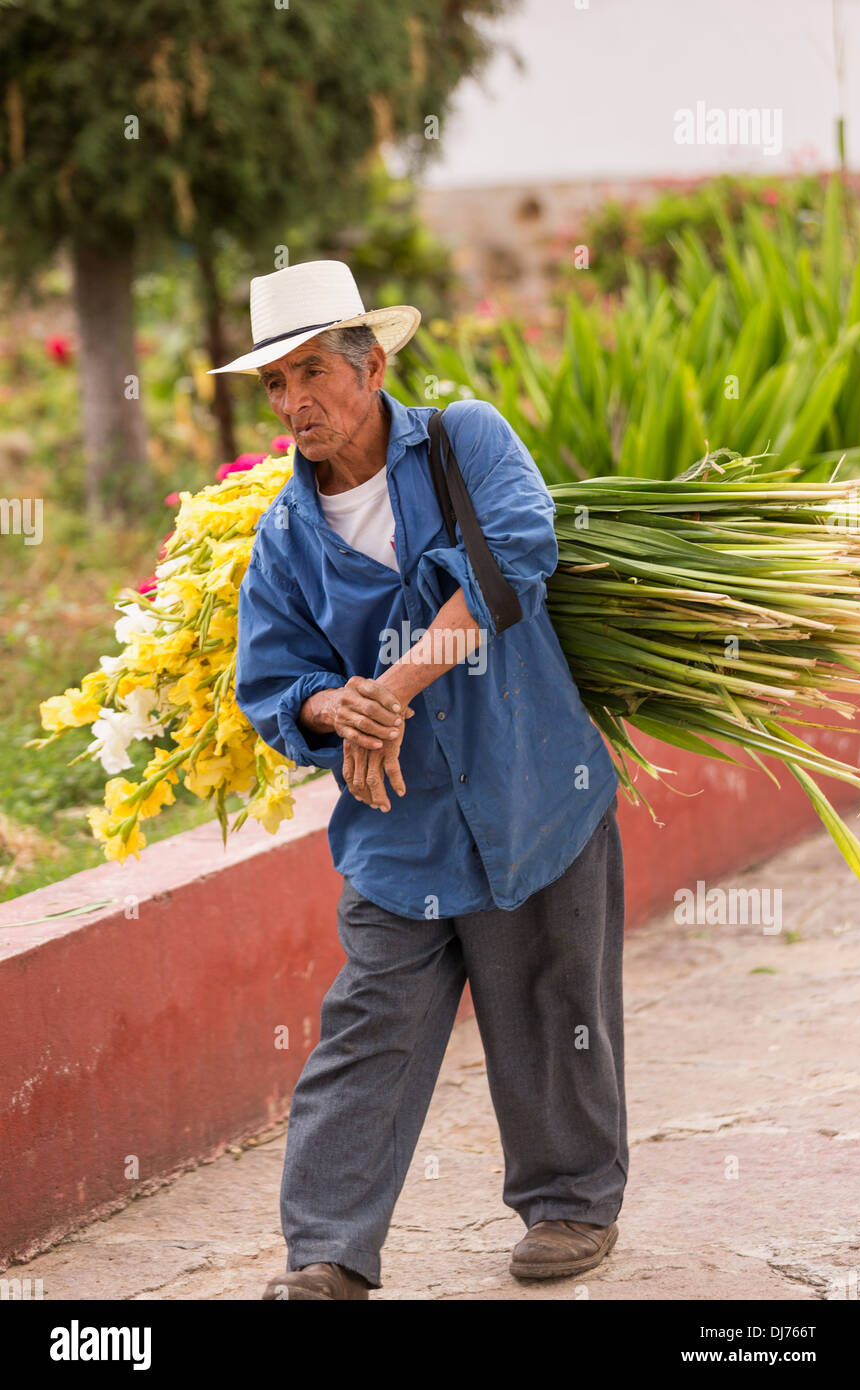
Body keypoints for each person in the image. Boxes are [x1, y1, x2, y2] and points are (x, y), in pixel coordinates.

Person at [211, 259, 628, 1300]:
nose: (292, 401)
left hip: (531, 785)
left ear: (372, 362)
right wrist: (330, 706)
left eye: (311, 371)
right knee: (368, 1025)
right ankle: (328, 1251)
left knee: (549, 999)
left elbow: (510, 562)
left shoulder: (461, 440)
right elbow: (270, 680)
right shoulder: (283, 534)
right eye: (274, 384)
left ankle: (570, 1205)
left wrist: (387, 687)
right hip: (400, 828)